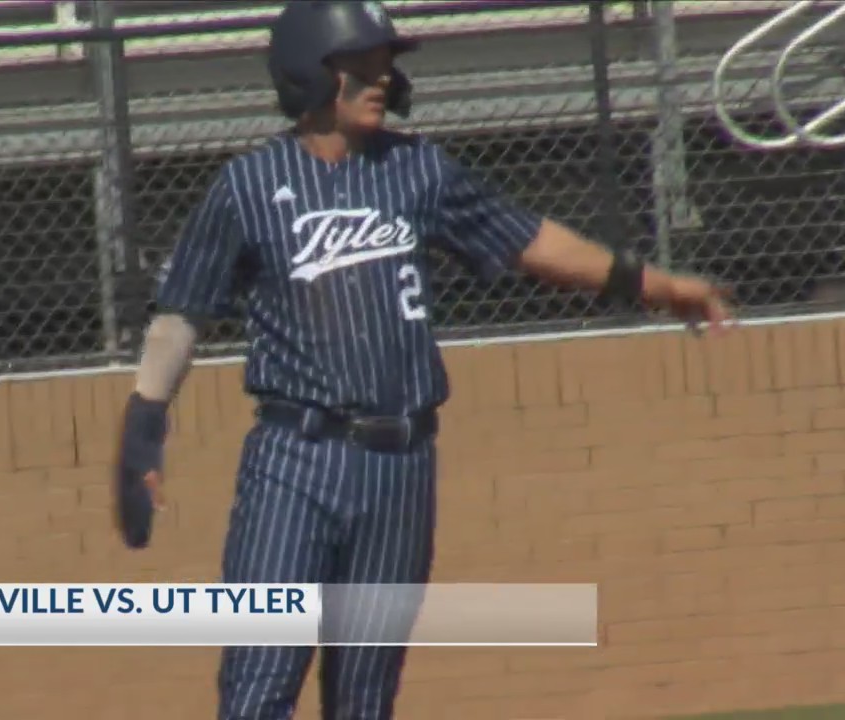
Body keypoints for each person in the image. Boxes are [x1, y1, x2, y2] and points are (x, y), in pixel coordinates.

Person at [113, 2, 735, 718]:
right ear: (311, 74)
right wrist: (143, 430)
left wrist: (657, 286)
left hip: (401, 466)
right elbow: (182, 313)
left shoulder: (417, 170)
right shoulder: (248, 185)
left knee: (365, 698)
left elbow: (530, 240)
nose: (382, 80)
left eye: (386, 67)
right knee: (260, 684)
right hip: (295, 461)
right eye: (362, 67)